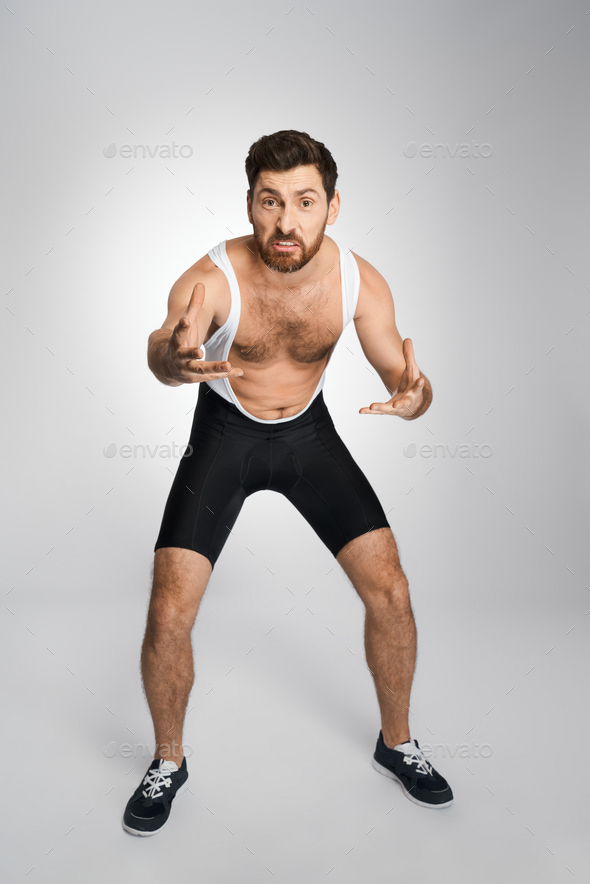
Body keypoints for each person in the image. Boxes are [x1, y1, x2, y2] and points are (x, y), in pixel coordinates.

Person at [122, 130, 453, 836]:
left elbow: (405, 377)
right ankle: (168, 761)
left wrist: (415, 395)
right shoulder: (212, 278)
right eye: (270, 201)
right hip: (225, 438)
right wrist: (174, 362)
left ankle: (397, 742)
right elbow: (164, 344)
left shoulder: (360, 280)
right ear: (250, 204)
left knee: (390, 588)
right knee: (168, 612)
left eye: (305, 201)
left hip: (307, 438)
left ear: (333, 206)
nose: (286, 221)